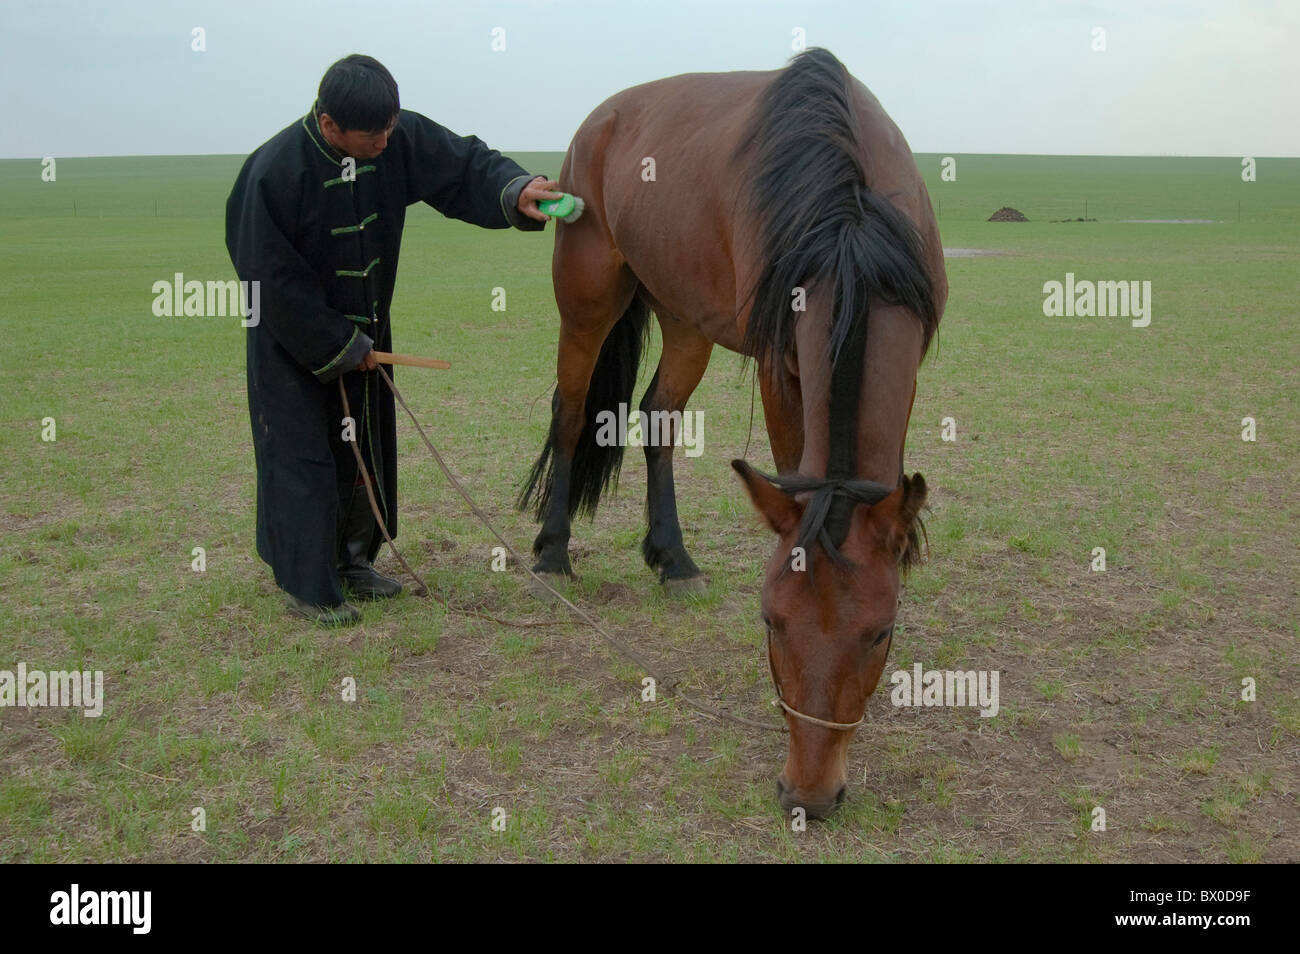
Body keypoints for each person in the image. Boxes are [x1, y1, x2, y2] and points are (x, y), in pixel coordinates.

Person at [226, 54, 560, 625]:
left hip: (370, 331)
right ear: (330, 125)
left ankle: (354, 560)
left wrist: (516, 188)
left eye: (390, 126)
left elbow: (461, 164)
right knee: (302, 456)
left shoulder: (392, 137)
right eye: (372, 133)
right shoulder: (272, 174)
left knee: (365, 450)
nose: (386, 140)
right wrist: (336, 341)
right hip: (292, 344)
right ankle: (309, 585)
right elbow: (268, 278)